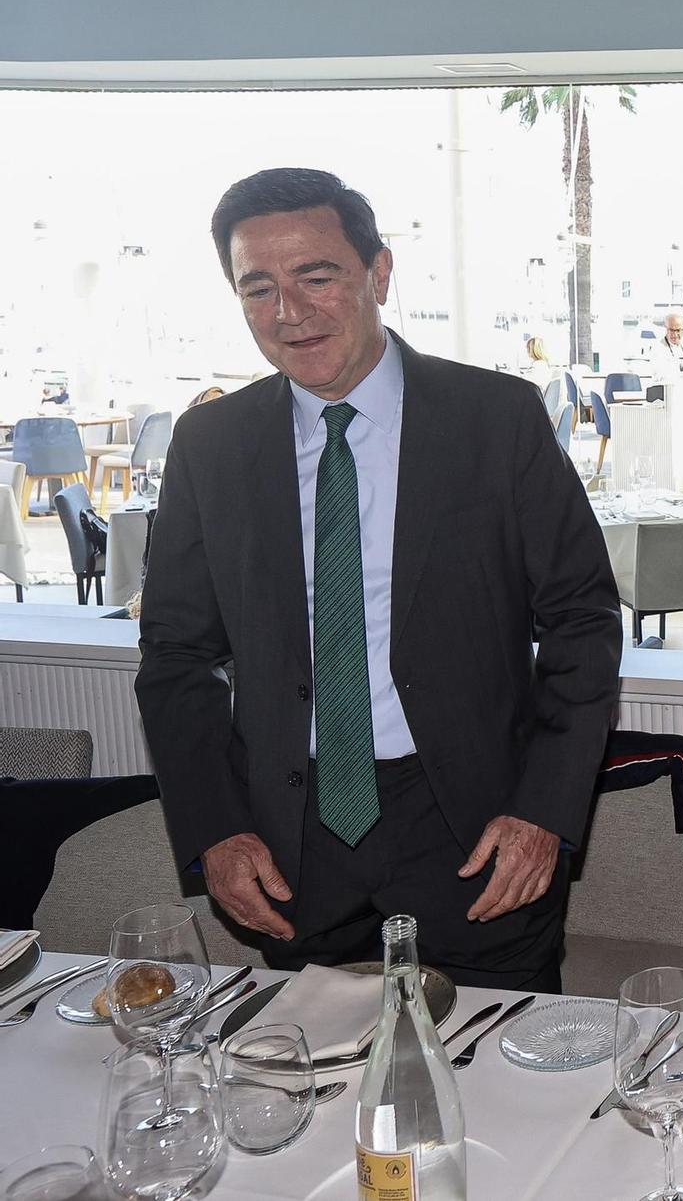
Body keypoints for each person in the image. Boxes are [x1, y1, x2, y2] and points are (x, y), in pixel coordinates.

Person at [135, 167, 623, 991]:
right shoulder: (209, 446)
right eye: (259, 288)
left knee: (507, 1095)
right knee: (310, 1095)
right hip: (295, 848)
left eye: (315, 277)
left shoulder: (495, 420)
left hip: (474, 835)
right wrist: (215, 831)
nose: (288, 312)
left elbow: (582, 620)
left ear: (379, 274)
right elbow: (176, 654)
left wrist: (543, 812)